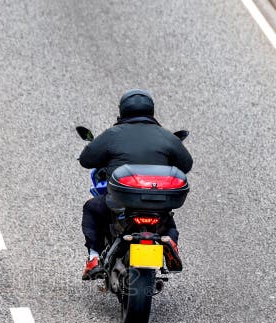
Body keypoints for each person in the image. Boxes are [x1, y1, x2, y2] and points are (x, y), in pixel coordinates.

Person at [79, 89, 193, 280]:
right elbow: (186, 164)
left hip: (121, 203)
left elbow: (86, 160)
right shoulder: (166, 136)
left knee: (92, 208)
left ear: (122, 110)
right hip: (158, 203)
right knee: (167, 221)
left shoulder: (113, 134)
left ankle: (94, 258)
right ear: (151, 110)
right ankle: (171, 243)